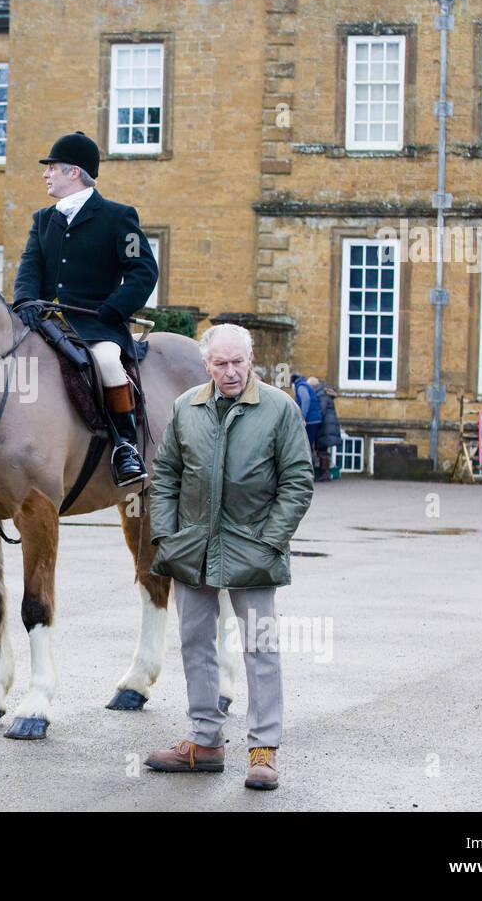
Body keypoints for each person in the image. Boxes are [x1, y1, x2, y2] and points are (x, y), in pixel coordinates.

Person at [144, 324, 314, 789]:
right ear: (207, 365)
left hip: (253, 548)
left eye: (238, 361)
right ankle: (204, 741)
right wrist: (166, 536)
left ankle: (263, 749)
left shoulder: (280, 409)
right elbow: (165, 479)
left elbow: (298, 482)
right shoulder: (186, 407)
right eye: (220, 363)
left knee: (260, 649)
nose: (230, 371)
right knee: (195, 644)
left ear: (251, 358)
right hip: (192, 548)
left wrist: (270, 541)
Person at [11, 131, 159, 487]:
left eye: (52, 168)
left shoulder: (118, 217)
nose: (46, 174)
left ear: (74, 172)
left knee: (107, 361)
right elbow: (30, 267)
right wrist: (25, 301)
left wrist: (115, 307)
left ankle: (125, 446)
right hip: (45, 321)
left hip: (98, 323)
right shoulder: (43, 219)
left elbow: (143, 271)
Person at [308, 376, 341, 482]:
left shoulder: (321, 394)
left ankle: (325, 473)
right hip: (329, 424)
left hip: (325, 425)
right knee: (323, 449)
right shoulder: (324, 392)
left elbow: (321, 410)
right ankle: (325, 472)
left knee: (322, 449)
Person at [291, 371, 322, 456]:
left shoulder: (301, 386)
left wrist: (302, 418)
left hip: (310, 420)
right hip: (314, 419)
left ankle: (309, 467)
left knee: (306, 447)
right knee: (308, 447)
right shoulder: (304, 384)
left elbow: (306, 400)